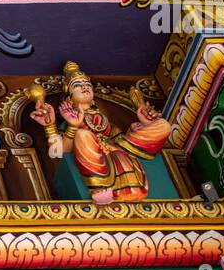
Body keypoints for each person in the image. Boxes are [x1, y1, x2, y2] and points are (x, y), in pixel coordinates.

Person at [29, 61, 171, 203]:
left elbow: (121, 140)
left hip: (117, 150)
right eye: (77, 85)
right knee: (82, 134)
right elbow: (57, 152)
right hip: (94, 158)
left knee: (163, 125)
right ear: (69, 97)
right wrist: (68, 126)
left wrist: (143, 125)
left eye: (87, 84)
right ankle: (99, 189)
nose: (84, 87)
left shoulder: (105, 121)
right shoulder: (70, 123)